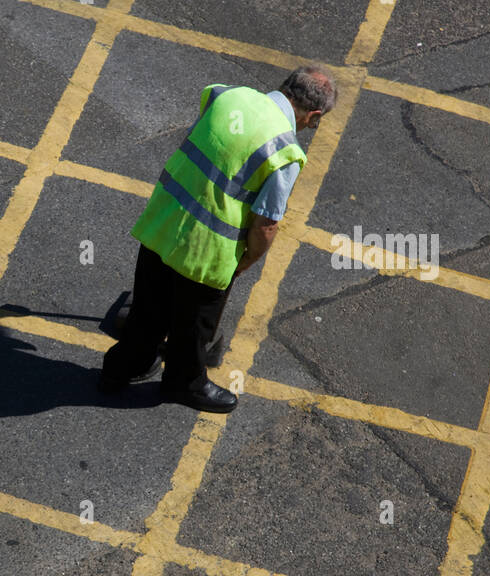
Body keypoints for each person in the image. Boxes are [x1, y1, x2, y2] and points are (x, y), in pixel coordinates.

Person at [99, 66, 338, 412]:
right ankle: (184, 383)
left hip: (164, 221)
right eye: (315, 122)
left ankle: (121, 369)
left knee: (148, 305)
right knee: (195, 324)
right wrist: (245, 263)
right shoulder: (286, 151)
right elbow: (265, 225)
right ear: (314, 115)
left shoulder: (225, 94)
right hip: (208, 250)